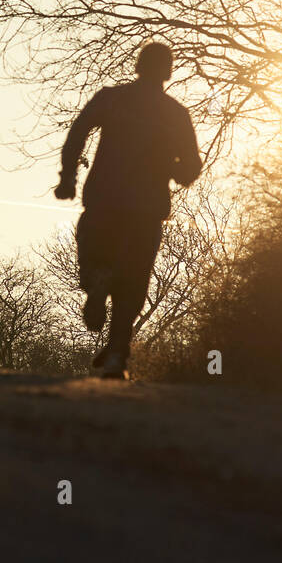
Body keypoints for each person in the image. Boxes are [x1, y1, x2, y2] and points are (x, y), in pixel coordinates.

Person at [54, 42, 202, 379]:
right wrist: (177, 171)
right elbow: (192, 166)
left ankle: (95, 283)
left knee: (92, 251)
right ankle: (117, 355)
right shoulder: (176, 114)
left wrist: (67, 178)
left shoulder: (110, 98)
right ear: (168, 71)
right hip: (146, 209)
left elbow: (77, 133)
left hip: (104, 198)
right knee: (134, 281)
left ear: (137, 67)